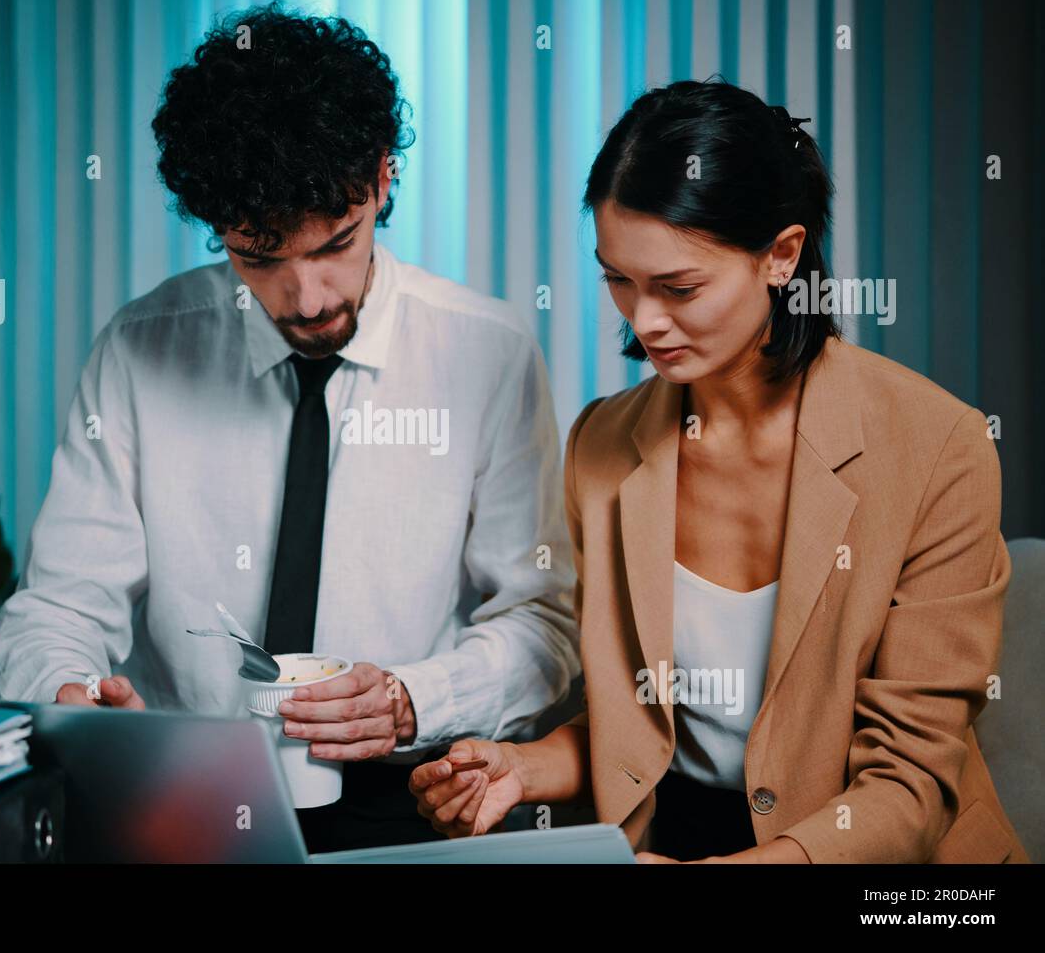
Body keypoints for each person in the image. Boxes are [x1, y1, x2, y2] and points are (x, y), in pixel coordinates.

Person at [0, 1, 579, 853]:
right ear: (216, 230)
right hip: (178, 802)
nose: (307, 299)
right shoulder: (140, 350)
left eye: (336, 242)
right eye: (259, 257)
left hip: (408, 802)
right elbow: (59, 606)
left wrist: (411, 700)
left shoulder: (489, 355)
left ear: (380, 178)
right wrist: (68, 694)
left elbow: (541, 623)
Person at [409, 79, 1029, 864]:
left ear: (782, 256)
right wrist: (521, 766)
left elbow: (910, 782)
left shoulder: (938, 446)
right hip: (675, 842)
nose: (644, 320)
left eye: (679, 287)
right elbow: (648, 724)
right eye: (618, 280)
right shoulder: (601, 445)